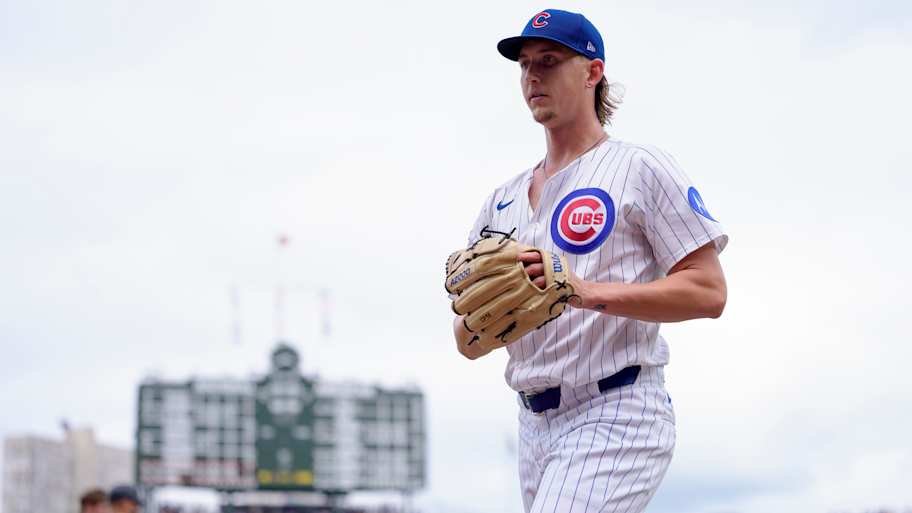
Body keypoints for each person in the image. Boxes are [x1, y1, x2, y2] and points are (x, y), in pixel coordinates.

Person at [451, 8, 729, 513]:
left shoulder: (638, 167)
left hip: (617, 407)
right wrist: (480, 322)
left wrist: (584, 291)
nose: (532, 75)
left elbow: (709, 292)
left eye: (550, 61)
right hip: (534, 422)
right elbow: (466, 341)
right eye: (525, 64)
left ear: (592, 72)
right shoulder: (502, 201)